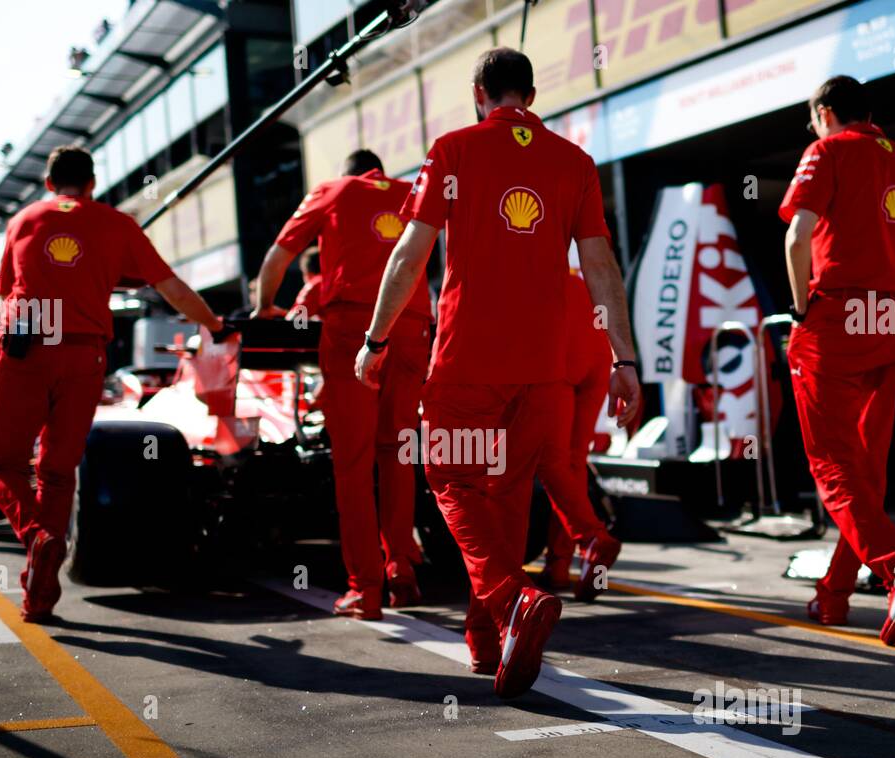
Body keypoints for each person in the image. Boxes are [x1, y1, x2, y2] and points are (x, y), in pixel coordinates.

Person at [355, 48, 640, 699]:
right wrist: (625, 359)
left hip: (467, 362)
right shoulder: (575, 163)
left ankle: (512, 602)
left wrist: (376, 337)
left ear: (478, 92)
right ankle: (488, 643)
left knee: (452, 478)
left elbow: (410, 252)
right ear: (531, 96)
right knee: (506, 502)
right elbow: (601, 268)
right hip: (543, 370)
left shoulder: (453, 150)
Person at [0, 145, 224, 622]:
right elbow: (170, 287)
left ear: (50, 184)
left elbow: (7, 289)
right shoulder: (117, 223)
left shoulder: (24, 219)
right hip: (86, 354)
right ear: (92, 184)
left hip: (29, 348)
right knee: (57, 469)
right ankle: (40, 596)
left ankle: (37, 537)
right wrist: (215, 323)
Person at [780, 75, 895, 646]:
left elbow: (797, 238)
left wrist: (801, 309)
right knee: (864, 473)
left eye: (812, 120)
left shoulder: (825, 150)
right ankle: (834, 595)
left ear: (825, 113)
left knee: (833, 468)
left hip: (837, 321)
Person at [255, 149, 432, 619]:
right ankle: (401, 568)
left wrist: (264, 307)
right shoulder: (413, 191)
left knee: (353, 464)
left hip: (353, 327)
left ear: (346, 173)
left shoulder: (332, 192)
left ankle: (365, 589)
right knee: (398, 454)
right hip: (413, 326)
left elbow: (279, 254)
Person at [536, 269, 615, 593]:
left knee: (549, 463)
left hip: (560, 354)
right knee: (572, 463)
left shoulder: (524, 265)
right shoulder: (586, 268)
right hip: (595, 354)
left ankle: (591, 537)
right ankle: (559, 564)